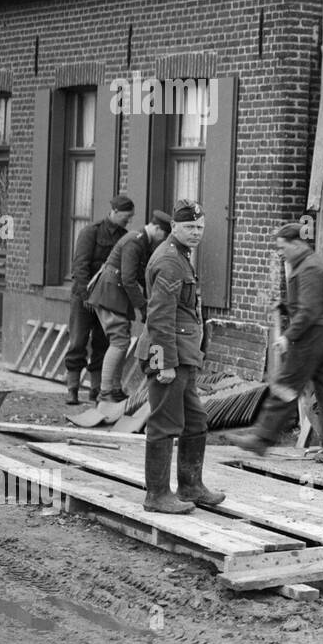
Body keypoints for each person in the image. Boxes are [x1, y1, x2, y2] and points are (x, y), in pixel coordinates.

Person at [227, 223, 323, 463]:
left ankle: (261, 438)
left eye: (282, 247)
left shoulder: (308, 268)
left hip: (314, 334)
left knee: (286, 385)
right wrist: (285, 307)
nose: (280, 252)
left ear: (296, 244)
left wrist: (289, 336)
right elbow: (310, 304)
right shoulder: (311, 264)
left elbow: (308, 311)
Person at [141, 199, 224, 514]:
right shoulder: (170, 260)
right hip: (168, 356)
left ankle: (190, 487)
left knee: (195, 421)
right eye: (189, 226)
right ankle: (157, 495)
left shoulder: (181, 257)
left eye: (200, 227)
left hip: (183, 356)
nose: (196, 232)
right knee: (165, 424)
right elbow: (160, 319)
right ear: (174, 226)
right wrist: (166, 364)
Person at [86, 210, 172, 403]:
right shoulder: (135, 241)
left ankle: (114, 389)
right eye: (164, 236)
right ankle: (105, 392)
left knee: (120, 340)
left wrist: (152, 298)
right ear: (157, 228)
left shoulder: (141, 241)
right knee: (119, 341)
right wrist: (142, 306)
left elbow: (140, 275)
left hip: (114, 295)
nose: (163, 241)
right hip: (110, 294)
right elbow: (128, 279)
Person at [65, 194, 134, 405]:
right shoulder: (90, 232)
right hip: (84, 297)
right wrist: (87, 296)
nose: (128, 220)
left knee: (102, 343)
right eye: (126, 216)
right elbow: (80, 266)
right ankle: (72, 389)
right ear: (114, 211)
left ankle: (95, 390)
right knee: (78, 341)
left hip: (107, 299)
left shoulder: (125, 236)